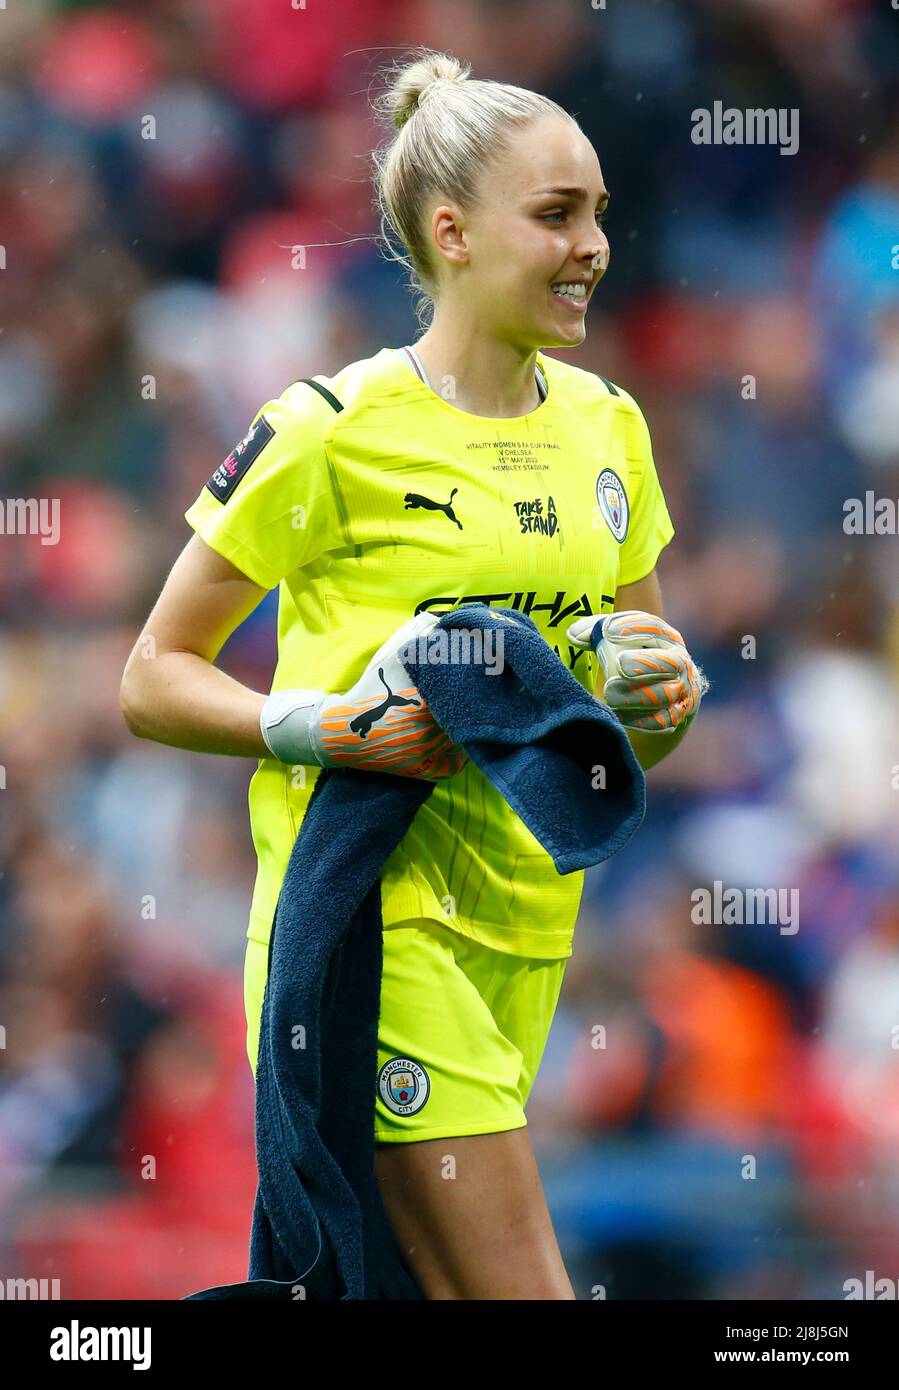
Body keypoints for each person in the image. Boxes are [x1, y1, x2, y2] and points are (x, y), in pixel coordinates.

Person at [119, 48, 704, 1300]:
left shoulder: (611, 427)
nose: (593, 244)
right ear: (449, 231)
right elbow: (153, 675)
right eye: (555, 215)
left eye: (598, 212)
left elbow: (613, 724)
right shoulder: (328, 427)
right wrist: (323, 728)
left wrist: (660, 704)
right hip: (375, 923)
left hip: (524, 925)